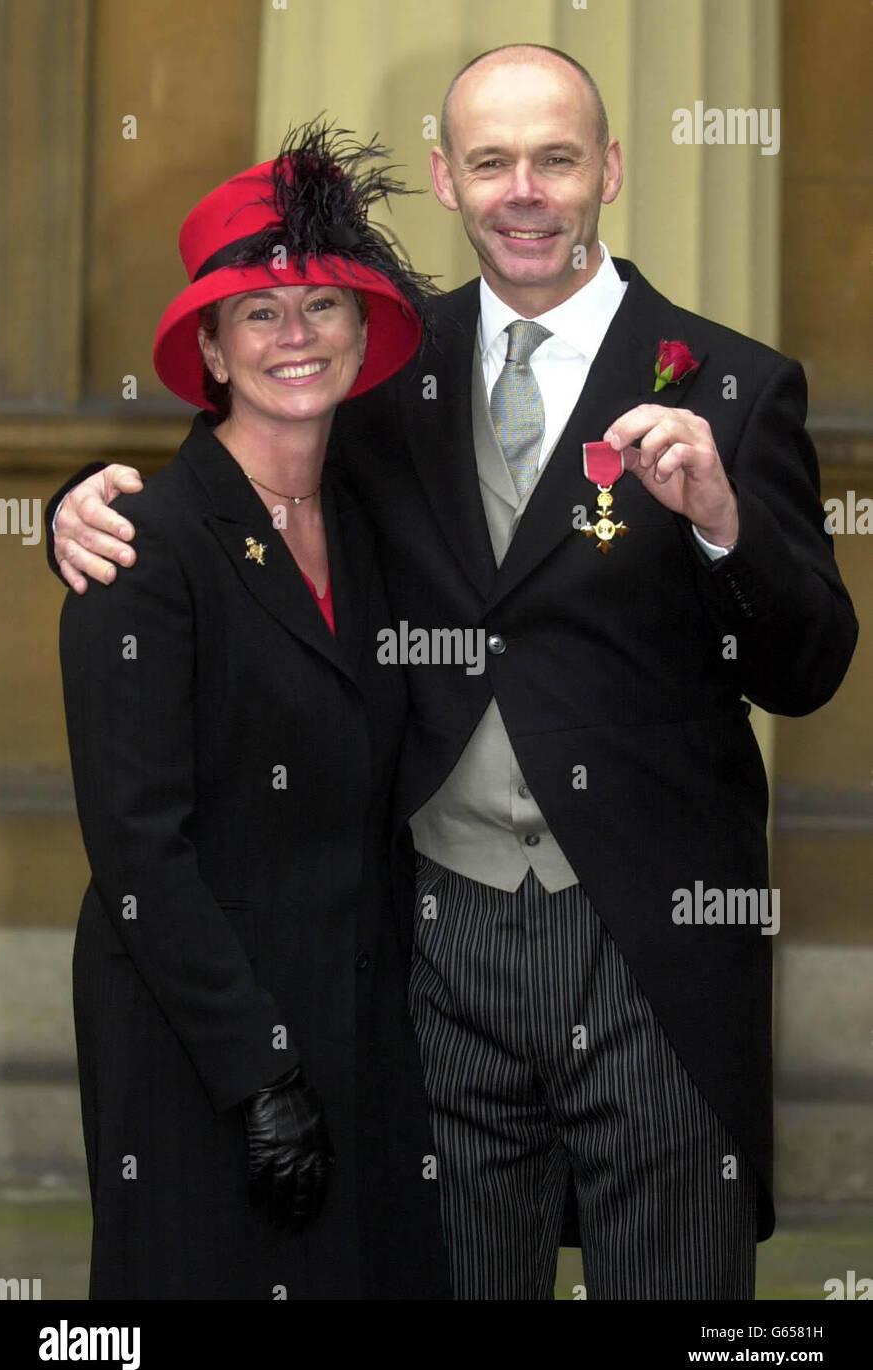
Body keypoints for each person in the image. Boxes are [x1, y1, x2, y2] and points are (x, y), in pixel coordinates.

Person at [49, 47, 858, 1301]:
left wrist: (719, 526)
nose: (522, 190)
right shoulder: (376, 364)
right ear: (445, 179)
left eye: (554, 158)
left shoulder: (732, 384)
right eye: (490, 162)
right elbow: (244, 459)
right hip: (430, 945)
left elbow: (805, 669)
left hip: (651, 942)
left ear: (609, 170)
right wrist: (82, 507)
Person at [54, 120, 451, 1300]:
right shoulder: (143, 544)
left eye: (321, 305)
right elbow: (138, 847)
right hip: (195, 1039)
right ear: (213, 353)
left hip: (360, 1019)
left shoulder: (377, 522)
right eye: (260, 314)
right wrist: (257, 1074)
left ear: (360, 331)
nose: (295, 335)